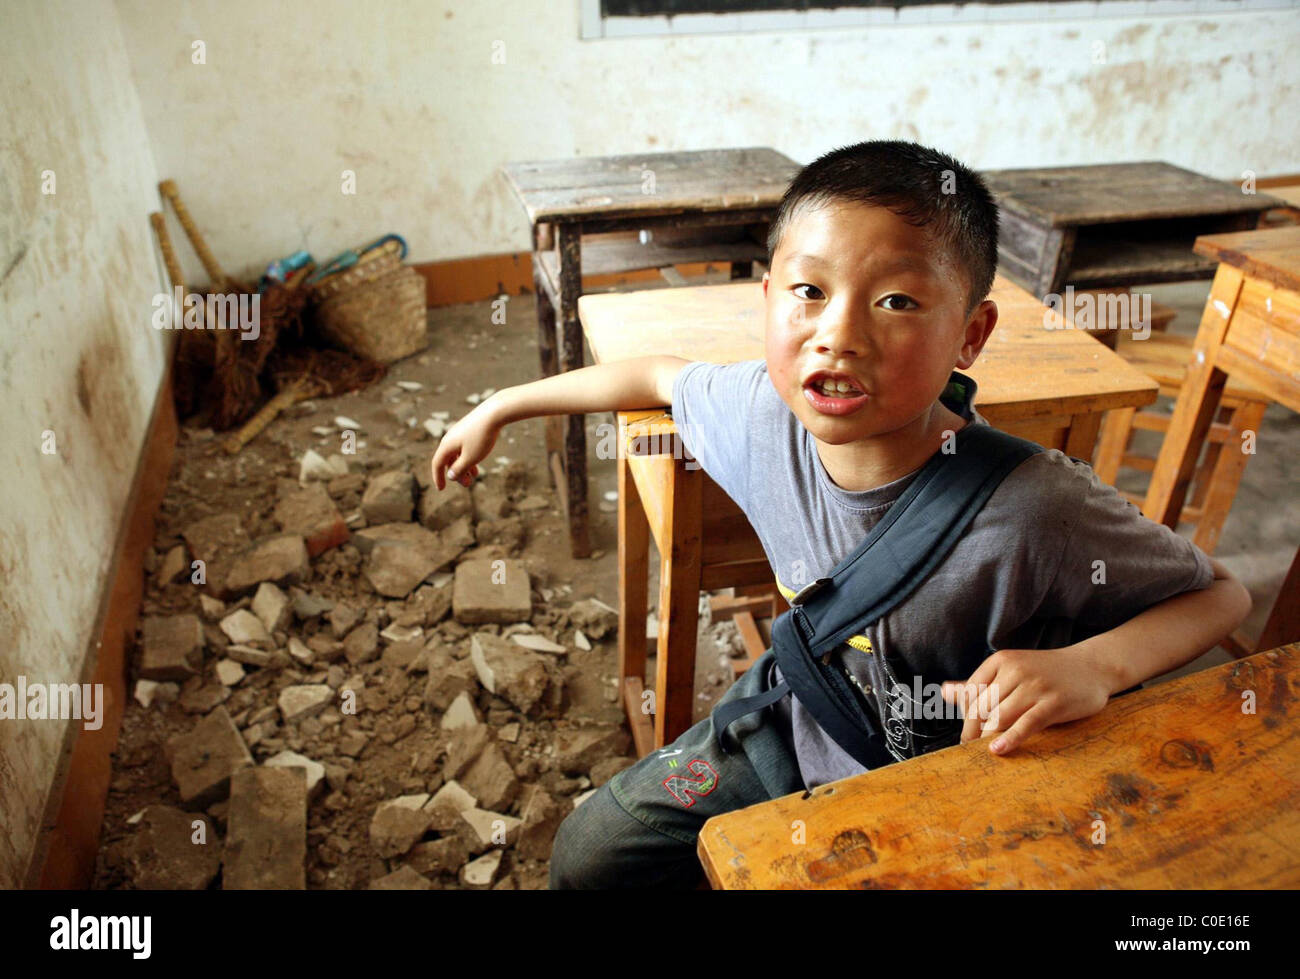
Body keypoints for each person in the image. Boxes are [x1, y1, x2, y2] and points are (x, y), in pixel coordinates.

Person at [429, 140, 1253, 889]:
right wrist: (502, 404)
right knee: (589, 854)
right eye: (809, 292)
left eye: (895, 301)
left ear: (971, 334)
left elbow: (1221, 595)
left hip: (957, 782)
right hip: (798, 721)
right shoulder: (760, 411)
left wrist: (1094, 667)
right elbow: (654, 376)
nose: (838, 334)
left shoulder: (1036, 507)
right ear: (769, 300)